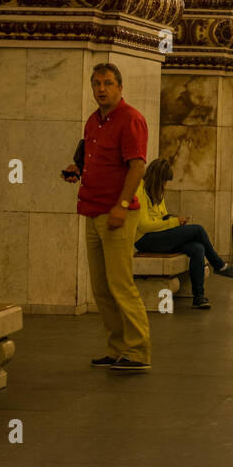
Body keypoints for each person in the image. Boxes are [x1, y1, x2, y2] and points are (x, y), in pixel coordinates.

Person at [62, 63, 151, 371]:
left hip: (117, 214)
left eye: (108, 83)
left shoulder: (131, 120)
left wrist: (122, 205)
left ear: (120, 87)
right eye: (97, 84)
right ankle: (116, 349)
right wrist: (77, 170)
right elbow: (94, 157)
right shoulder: (93, 122)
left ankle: (138, 352)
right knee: (101, 287)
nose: (102, 89)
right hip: (92, 210)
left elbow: (137, 166)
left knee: (121, 284)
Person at [134, 158, 233, 309]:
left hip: (159, 236)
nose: (165, 185)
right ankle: (219, 265)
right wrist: (174, 222)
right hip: (145, 239)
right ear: (157, 178)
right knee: (197, 229)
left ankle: (199, 296)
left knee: (197, 248)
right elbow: (144, 225)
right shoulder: (140, 190)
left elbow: (162, 217)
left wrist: (174, 219)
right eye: (164, 181)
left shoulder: (156, 191)